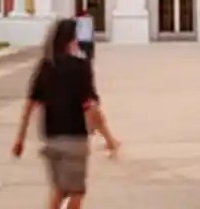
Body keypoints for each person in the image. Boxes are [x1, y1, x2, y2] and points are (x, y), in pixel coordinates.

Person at [13, 18, 120, 209]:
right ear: (73, 40)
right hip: (74, 140)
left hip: (51, 139)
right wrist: (109, 139)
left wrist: (19, 139)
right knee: (77, 193)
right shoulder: (80, 67)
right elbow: (90, 107)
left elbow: (29, 106)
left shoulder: (45, 67)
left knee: (60, 190)